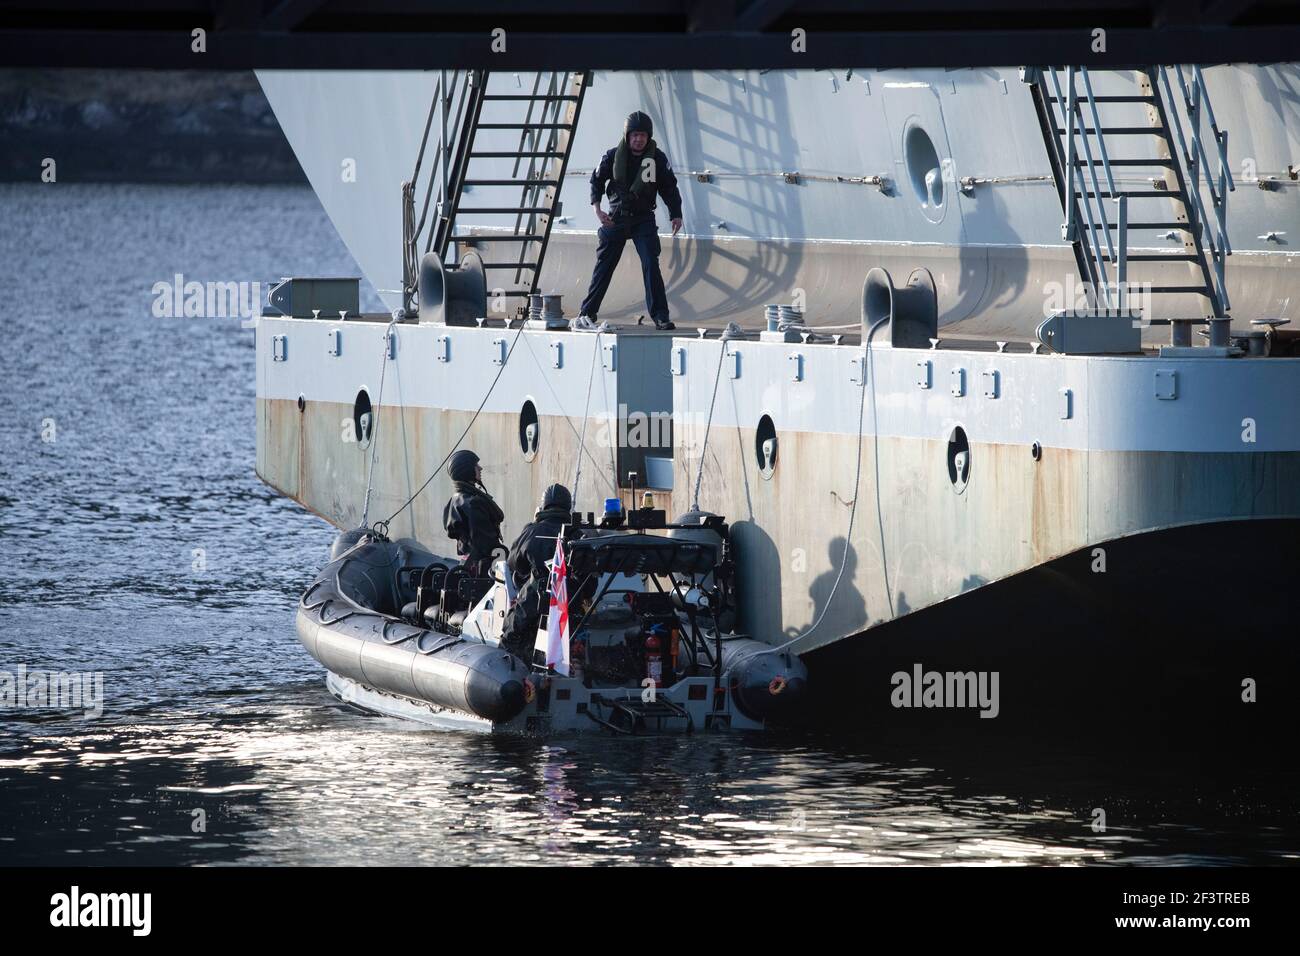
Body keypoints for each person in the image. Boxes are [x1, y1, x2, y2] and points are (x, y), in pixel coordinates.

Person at [578, 110, 683, 331]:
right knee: (604, 267)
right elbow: (596, 182)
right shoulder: (611, 156)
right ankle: (587, 313)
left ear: (649, 137)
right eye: (634, 135)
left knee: (650, 264)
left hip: (643, 219)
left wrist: (676, 214)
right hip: (615, 219)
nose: (638, 139)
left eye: (643, 135)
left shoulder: (657, 159)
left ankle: (661, 316)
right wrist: (597, 210)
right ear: (627, 136)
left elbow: (669, 188)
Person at [499, 483, 574, 661]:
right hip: (573, 606)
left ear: (544, 505)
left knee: (509, 642)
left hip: (535, 609)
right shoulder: (578, 533)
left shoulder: (533, 531)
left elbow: (513, 563)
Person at [441, 449, 504, 576]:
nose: (480, 468)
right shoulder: (473, 503)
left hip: (468, 565)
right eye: (476, 466)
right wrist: (508, 555)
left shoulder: (455, 499)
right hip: (484, 569)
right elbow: (486, 543)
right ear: (467, 470)